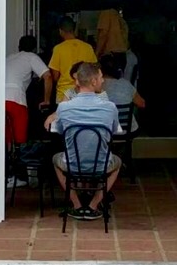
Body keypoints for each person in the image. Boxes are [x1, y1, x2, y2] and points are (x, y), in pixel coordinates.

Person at [47, 62, 121, 221]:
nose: (103, 80)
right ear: (94, 81)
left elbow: (59, 130)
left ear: (77, 82)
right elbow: (114, 130)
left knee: (56, 160)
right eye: (101, 77)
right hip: (101, 164)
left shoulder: (64, 108)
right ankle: (94, 204)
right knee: (118, 162)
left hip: (72, 164)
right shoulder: (110, 107)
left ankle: (77, 204)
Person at [5, 35, 52, 145]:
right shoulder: (31, 56)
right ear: (35, 49)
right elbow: (48, 76)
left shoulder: (8, 58)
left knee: (4, 139)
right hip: (16, 100)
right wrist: (46, 100)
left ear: (18, 47)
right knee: (19, 140)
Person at [47, 16, 97, 105]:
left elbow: (55, 76)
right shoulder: (87, 47)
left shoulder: (58, 49)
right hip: (84, 91)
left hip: (64, 94)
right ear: (74, 30)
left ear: (60, 31)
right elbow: (94, 70)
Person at [100, 54, 146, 132]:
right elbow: (142, 104)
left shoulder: (95, 86)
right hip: (128, 131)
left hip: (105, 132)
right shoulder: (126, 84)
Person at [95, 6, 129, 74]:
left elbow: (103, 34)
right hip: (122, 54)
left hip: (111, 55)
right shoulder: (118, 17)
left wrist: (97, 53)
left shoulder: (106, 13)